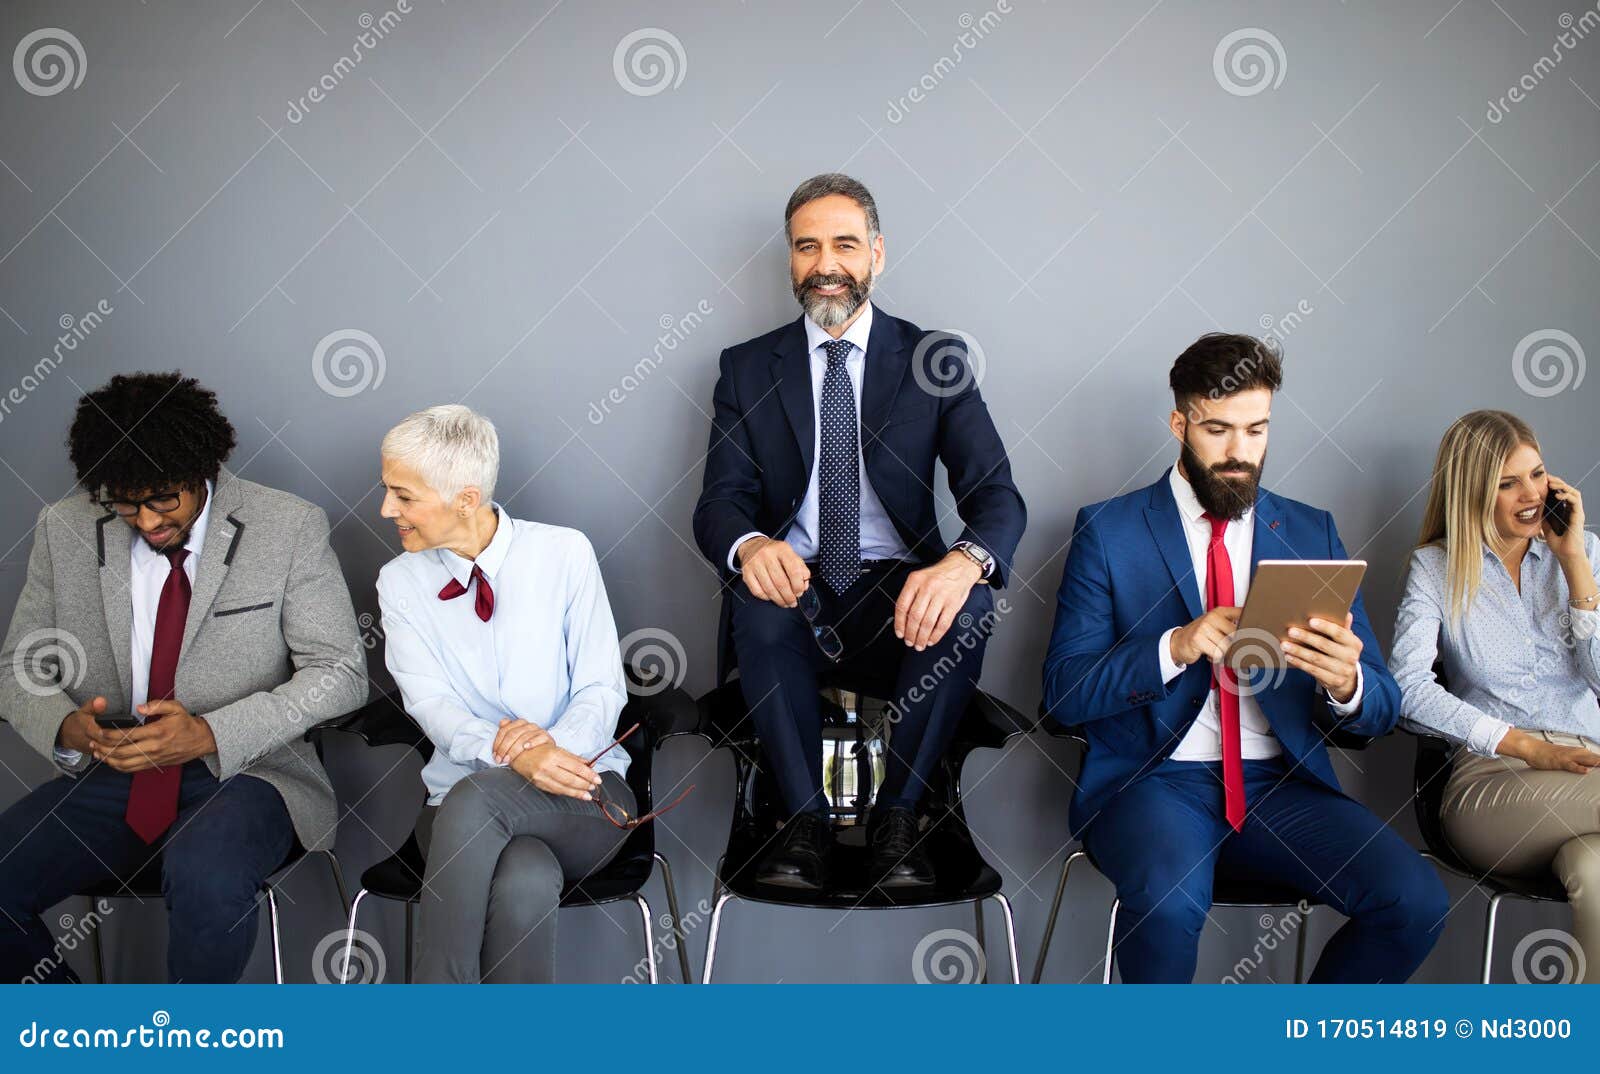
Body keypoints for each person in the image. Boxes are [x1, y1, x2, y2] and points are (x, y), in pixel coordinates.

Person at [1041, 333, 1446, 982]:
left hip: (1281, 788)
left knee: (1415, 901)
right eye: (1217, 430)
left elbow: (1383, 708)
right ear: (1180, 424)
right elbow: (1064, 693)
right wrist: (1176, 644)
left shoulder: (1311, 530)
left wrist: (1347, 683)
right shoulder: (1110, 531)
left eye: (1256, 430)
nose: (1239, 453)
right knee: (1169, 907)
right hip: (1155, 784)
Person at [691, 173, 1026, 890]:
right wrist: (752, 545)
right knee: (756, 599)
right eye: (806, 247)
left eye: (844, 243)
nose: (826, 262)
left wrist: (963, 561)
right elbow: (719, 503)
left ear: (877, 252)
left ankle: (899, 823)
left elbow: (997, 497)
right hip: (798, 588)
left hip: (899, 594)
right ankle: (803, 823)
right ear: (790, 261)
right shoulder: (748, 368)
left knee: (967, 601)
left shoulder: (935, 359)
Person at [0, 371, 366, 983]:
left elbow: (342, 672)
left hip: (251, 772)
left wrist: (209, 733)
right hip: (121, 774)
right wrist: (69, 726)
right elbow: (18, 668)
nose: (145, 521)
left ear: (202, 470)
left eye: (162, 499)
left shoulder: (286, 526)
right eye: (124, 502)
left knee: (206, 870)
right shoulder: (64, 529)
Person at [376, 404, 633, 982]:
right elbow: (431, 707)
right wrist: (518, 753)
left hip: (586, 794)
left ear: (465, 499)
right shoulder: (399, 583)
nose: (387, 509)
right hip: (456, 802)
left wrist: (553, 753)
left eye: (403, 495)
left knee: (479, 801)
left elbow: (601, 686)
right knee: (524, 876)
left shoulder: (564, 553)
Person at [1393, 409, 1600, 982]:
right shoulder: (1435, 568)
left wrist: (1576, 564)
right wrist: (1526, 748)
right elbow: (1406, 690)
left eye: (1537, 475)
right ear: (1473, 492)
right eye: (1508, 483)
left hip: (1586, 773)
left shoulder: (1584, 554)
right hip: (1492, 783)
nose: (1531, 495)